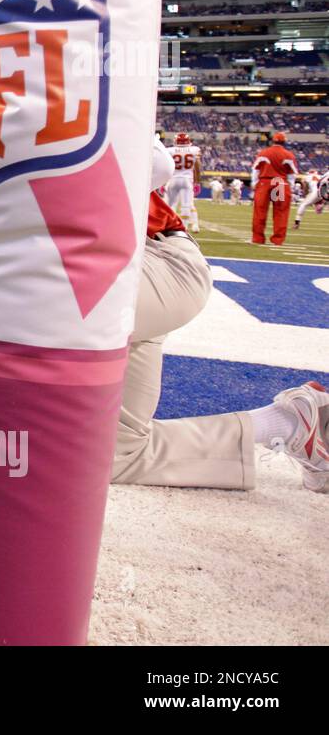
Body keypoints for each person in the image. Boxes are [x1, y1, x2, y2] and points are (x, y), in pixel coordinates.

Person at [113, 138, 329, 492]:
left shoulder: (34, 93)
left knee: (2, 311)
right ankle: (288, 423)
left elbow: (155, 161)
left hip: (142, 261)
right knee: (117, 453)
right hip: (126, 273)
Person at [251, 132, 298, 245]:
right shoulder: (289, 155)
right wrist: (290, 186)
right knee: (280, 212)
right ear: (284, 142)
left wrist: (255, 183)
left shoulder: (264, 153)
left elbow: (255, 170)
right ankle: (278, 240)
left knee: (260, 211)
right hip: (280, 183)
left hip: (265, 182)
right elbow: (292, 174)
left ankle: (258, 238)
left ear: (273, 141)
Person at [165, 131, 201, 233]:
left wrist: (164, 181)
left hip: (173, 179)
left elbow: (166, 167)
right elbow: (197, 167)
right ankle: (184, 228)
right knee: (187, 204)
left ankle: (169, 226)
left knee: (170, 205)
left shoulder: (169, 151)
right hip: (187, 180)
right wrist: (197, 182)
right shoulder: (194, 150)